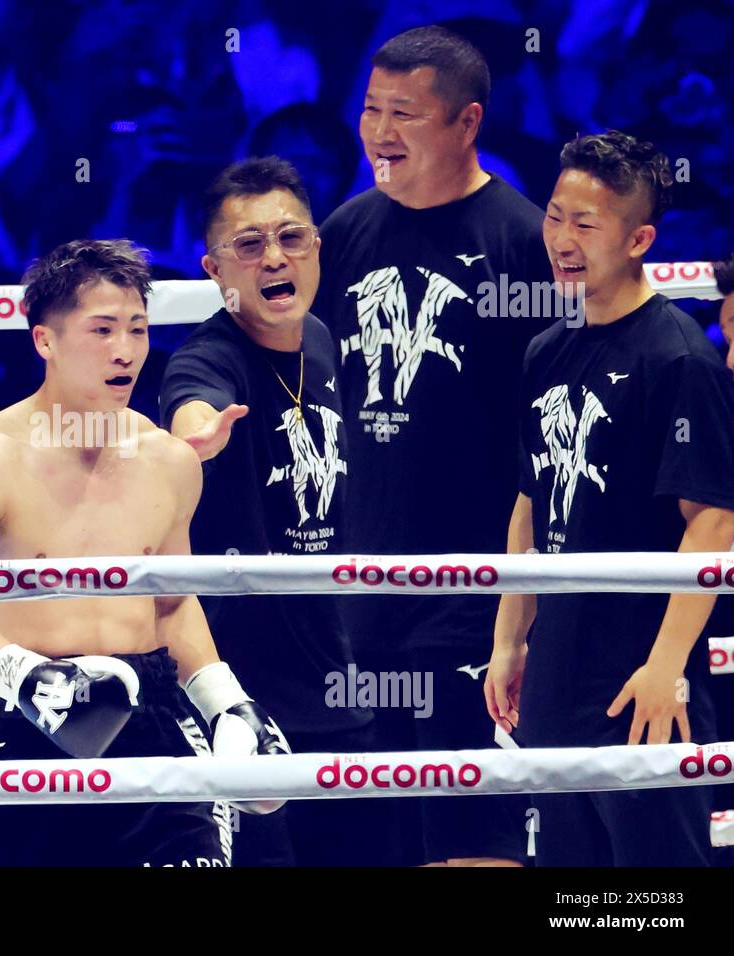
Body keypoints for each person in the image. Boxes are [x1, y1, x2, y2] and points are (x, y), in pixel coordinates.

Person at [0, 239, 289, 867]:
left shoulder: (168, 461)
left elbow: (173, 605)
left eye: (137, 329)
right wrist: (32, 680)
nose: (125, 351)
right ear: (45, 341)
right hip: (21, 729)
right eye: (102, 330)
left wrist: (225, 701)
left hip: (153, 723)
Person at [311, 25, 548, 866]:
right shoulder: (342, 232)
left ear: (466, 121)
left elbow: (547, 426)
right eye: (371, 109)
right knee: (382, 830)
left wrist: (519, 608)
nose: (379, 131)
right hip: (358, 578)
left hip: (475, 584)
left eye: (403, 113)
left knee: (471, 825)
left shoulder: (523, 240)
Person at [488, 131, 734, 866]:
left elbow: (714, 519)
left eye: (585, 224)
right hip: (559, 666)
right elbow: (532, 501)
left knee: (656, 899)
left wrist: (666, 667)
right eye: (556, 216)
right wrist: (509, 640)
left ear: (640, 239)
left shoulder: (679, 355)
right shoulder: (546, 350)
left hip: (641, 674)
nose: (562, 239)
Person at [159, 156, 376, 866]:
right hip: (247, 691)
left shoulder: (327, 341)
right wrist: (195, 441)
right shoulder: (205, 360)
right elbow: (192, 408)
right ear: (213, 269)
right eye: (248, 246)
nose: (273, 258)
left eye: (290, 238)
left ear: (318, 246)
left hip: (345, 677)